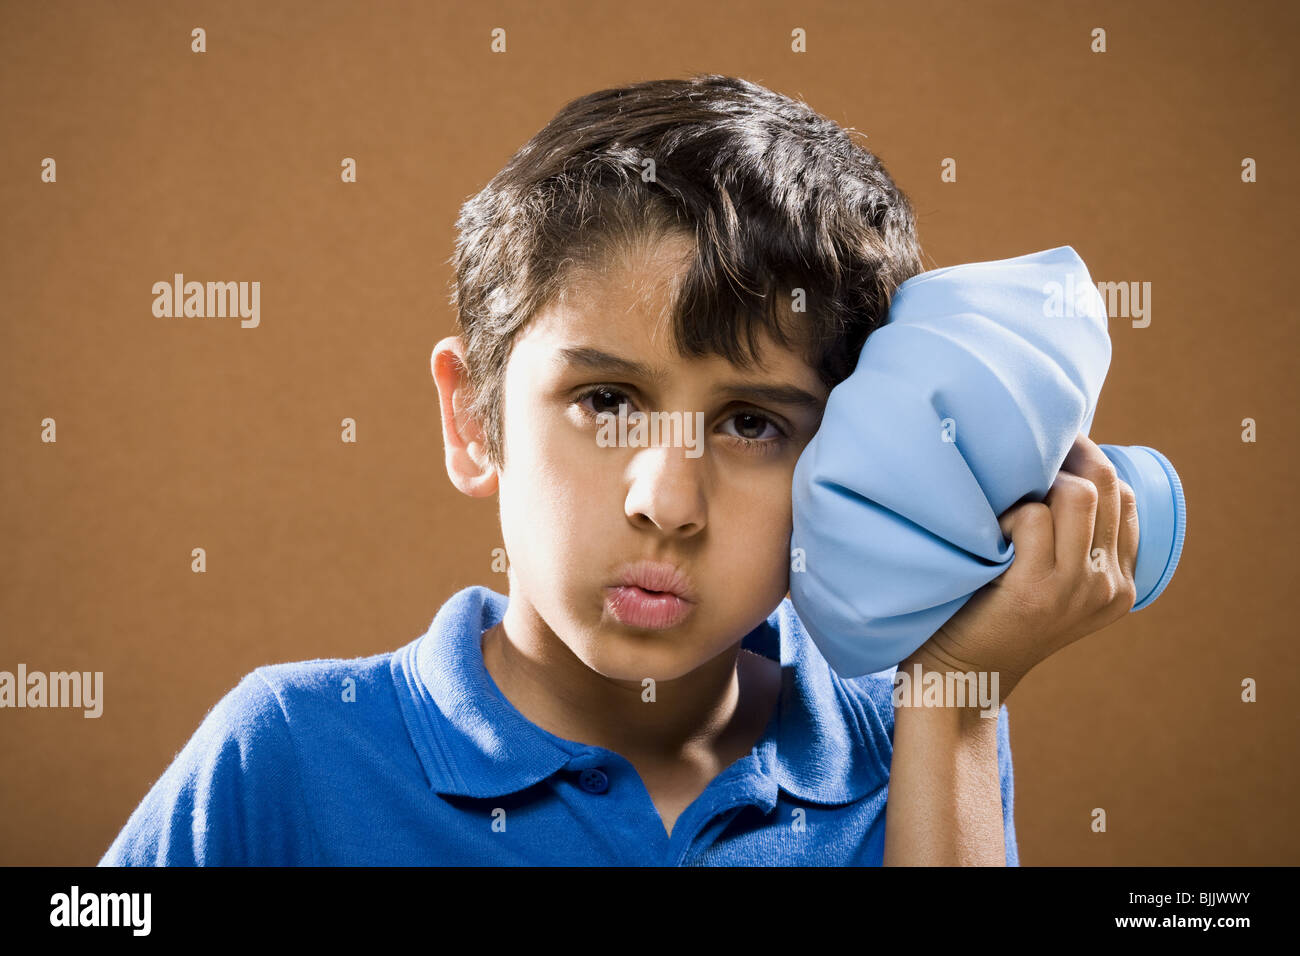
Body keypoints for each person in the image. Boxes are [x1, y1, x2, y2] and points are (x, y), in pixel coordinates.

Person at [100, 74, 1137, 866]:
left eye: (750, 423)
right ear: (474, 418)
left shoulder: (911, 742)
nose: (666, 502)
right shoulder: (287, 755)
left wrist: (954, 698)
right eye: (605, 402)